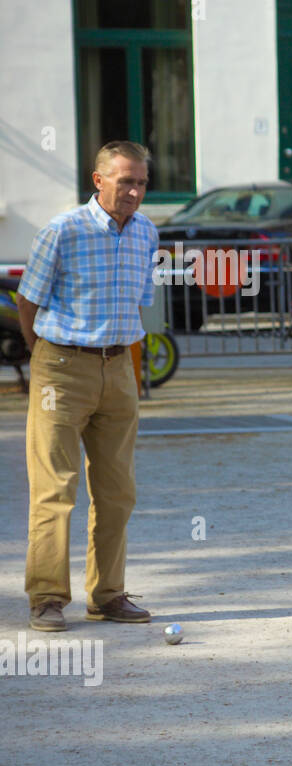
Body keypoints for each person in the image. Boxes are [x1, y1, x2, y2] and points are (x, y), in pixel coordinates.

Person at [17, 141, 158, 632]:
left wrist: (122, 362)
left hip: (118, 368)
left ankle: (108, 594)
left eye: (141, 182)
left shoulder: (146, 232)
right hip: (61, 367)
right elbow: (28, 300)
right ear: (98, 181)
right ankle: (47, 598)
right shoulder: (63, 230)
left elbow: (139, 302)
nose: (134, 192)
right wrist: (45, 357)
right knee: (55, 487)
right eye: (125, 181)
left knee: (118, 490)